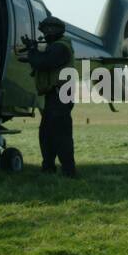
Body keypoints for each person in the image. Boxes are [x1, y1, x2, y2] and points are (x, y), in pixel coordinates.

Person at [18, 15, 76, 176]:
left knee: (60, 134)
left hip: (60, 95)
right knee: (47, 133)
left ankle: (68, 171)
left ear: (52, 30)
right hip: (55, 95)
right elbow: (43, 60)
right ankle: (49, 167)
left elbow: (43, 62)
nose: (43, 34)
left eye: (45, 31)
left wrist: (31, 50)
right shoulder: (56, 47)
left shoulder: (60, 48)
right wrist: (33, 52)